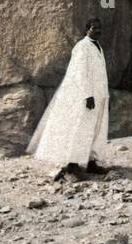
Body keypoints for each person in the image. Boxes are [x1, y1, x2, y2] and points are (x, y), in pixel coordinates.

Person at [28, 17, 110, 182]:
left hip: (100, 95)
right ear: (87, 29)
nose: (98, 31)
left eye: (100, 28)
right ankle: (72, 164)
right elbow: (80, 72)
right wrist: (88, 94)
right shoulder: (82, 47)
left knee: (95, 129)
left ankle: (91, 161)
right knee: (80, 129)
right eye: (94, 28)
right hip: (87, 96)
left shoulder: (98, 47)